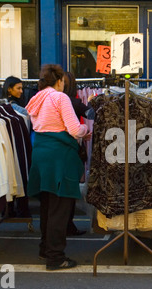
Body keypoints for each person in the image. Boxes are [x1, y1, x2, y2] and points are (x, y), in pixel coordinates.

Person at [25, 64, 88, 271]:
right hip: (60, 155)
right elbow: (74, 129)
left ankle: (45, 249)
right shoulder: (60, 98)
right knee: (60, 208)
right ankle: (55, 257)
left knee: (47, 206)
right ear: (60, 80)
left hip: (41, 154)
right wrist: (86, 129)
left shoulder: (36, 98)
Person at [63, 71, 94, 236]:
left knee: (56, 196)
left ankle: (61, 228)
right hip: (70, 152)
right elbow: (90, 114)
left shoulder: (48, 102)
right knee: (69, 193)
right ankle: (67, 226)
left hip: (52, 153)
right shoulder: (72, 103)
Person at [2, 76, 31, 218]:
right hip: (18, 146)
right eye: (18, 88)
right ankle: (21, 210)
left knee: (9, 177)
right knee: (20, 176)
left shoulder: (1, 106)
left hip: (8, 146)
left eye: (21, 88)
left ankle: (8, 209)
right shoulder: (17, 108)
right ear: (9, 89)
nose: (21, 91)